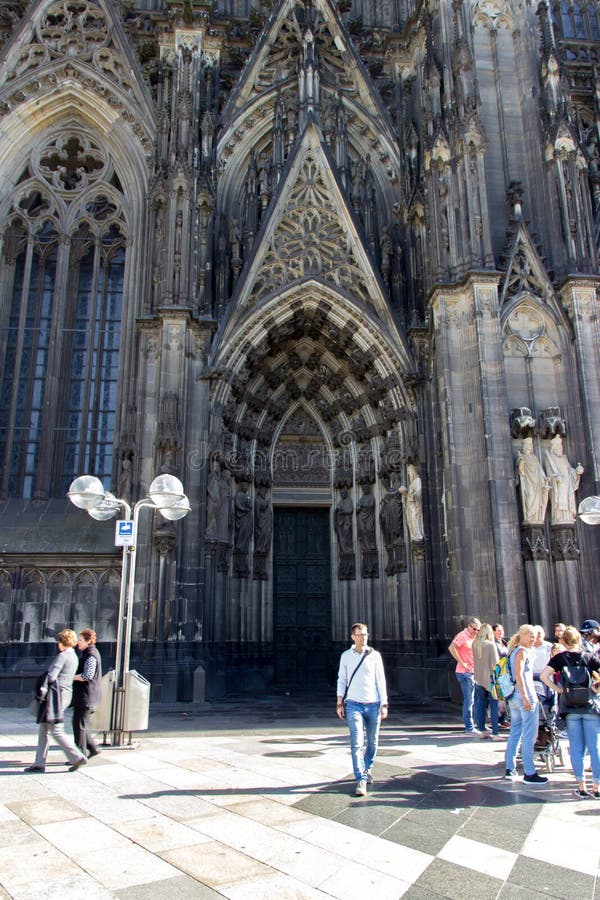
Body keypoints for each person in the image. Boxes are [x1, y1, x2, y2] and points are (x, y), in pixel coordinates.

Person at [540, 626, 600, 798]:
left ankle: (581, 786)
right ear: (578, 640)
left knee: (576, 747)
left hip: (570, 707)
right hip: (590, 706)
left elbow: (544, 676)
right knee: (595, 748)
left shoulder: (559, 658)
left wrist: (558, 690)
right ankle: (597, 787)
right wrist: (596, 689)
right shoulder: (588, 657)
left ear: (563, 641)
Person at [24, 629, 88, 773]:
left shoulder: (62, 656)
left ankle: (77, 756)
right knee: (44, 728)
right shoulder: (74, 656)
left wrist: (42, 688)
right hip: (65, 694)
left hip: (55, 697)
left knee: (55, 729)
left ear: (61, 642)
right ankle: (39, 762)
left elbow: (52, 676)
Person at [336, 623, 388, 796]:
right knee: (357, 742)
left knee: (372, 742)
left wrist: (384, 703)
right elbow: (341, 679)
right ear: (353, 637)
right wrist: (339, 702)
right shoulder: (346, 656)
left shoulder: (375, 656)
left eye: (365, 634)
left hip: (373, 704)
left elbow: (381, 681)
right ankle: (360, 778)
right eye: (359, 635)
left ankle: (367, 768)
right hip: (353, 704)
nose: (363, 637)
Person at [504, 624, 548, 784]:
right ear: (522, 635)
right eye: (531, 636)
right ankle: (529, 772)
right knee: (530, 735)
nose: (533, 639)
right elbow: (519, 674)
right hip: (524, 697)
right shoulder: (522, 651)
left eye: (535, 636)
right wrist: (526, 697)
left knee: (515, 732)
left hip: (514, 697)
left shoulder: (513, 651)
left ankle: (510, 768)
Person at [71, 628, 102, 758]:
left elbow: (87, 675)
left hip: (86, 696)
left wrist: (71, 676)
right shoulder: (89, 653)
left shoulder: (91, 655)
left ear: (89, 641)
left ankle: (79, 755)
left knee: (79, 725)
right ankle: (92, 748)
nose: (78, 643)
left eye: (80, 640)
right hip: (87, 696)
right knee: (81, 724)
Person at [448, 617, 481, 734]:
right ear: (468, 626)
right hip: (465, 672)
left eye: (478, 630)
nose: (476, 632)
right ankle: (469, 727)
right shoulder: (462, 635)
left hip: (474, 671)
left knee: (477, 699)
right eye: (474, 629)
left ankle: (479, 725)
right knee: (469, 700)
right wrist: (461, 662)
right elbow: (452, 647)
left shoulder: (474, 637)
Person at [543, 434, 584, 525]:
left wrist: (577, 472)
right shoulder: (549, 458)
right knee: (559, 501)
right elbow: (549, 473)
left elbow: (570, 470)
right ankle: (559, 517)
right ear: (553, 448)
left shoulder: (564, 458)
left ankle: (568, 516)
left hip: (567, 484)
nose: (560, 448)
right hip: (558, 484)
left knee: (567, 501)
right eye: (558, 446)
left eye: (560, 446)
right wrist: (556, 478)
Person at [473, 624, 501, 740]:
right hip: (490, 679)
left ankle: (482, 730)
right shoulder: (490, 645)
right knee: (494, 705)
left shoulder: (475, 644)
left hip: (478, 678)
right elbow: (495, 664)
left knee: (481, 705)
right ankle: (495, 733)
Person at [515, 437, 550, 524]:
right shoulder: (521, 457)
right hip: (528, 482)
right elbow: (520, 471)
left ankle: (537, 518)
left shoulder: (534, 458)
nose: (529, 447)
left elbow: (540, 470)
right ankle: (529, 517)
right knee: (530, 497)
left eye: (530, 445)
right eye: (527, 445)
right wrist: (521, 463)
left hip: (537, 483)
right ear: (524, 446)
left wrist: (545, 478)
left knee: (537, 500)